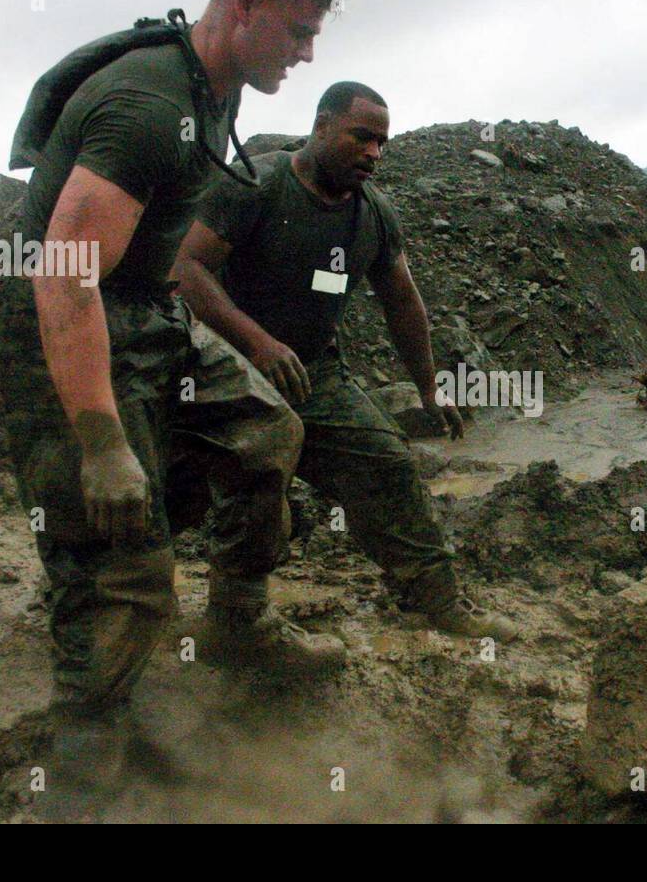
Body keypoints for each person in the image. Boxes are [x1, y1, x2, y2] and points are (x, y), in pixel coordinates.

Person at [0, 0, 343, 805]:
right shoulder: (151, 105)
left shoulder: (215, 81)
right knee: (125, 556)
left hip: (148, 310)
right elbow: (63, 276)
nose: (304, 55)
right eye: (298, 33)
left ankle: (237, 623)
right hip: (71, 321)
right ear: (246, 4)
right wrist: (105, 442)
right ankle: (87, 734)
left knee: (266, 432)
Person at [171, 82, 518, 641]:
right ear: (322, 125)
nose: (374, 153)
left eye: (383, 143)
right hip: (220, 370)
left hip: (313, 374)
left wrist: (429, 389)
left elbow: (402, 300)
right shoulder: (255, 184)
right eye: (363, 137)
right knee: (238, 480)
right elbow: (187, 269)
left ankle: (435, 599)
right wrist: (256, 342)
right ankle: (236, 626)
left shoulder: (372, 215)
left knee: (386, 464)